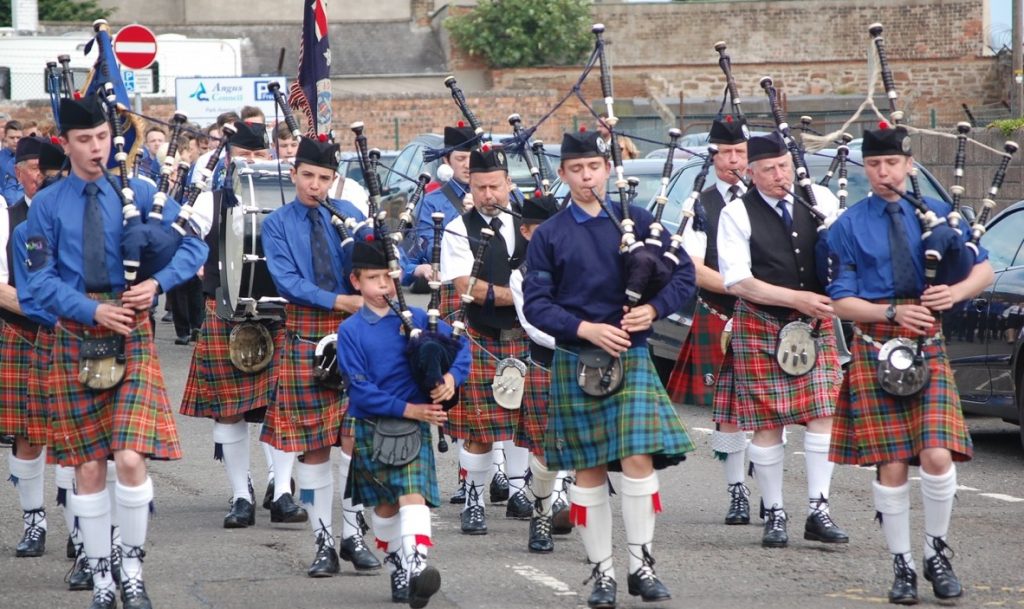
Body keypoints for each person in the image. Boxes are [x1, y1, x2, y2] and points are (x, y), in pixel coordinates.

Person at [24, 95, 207, 609]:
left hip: (132, 328)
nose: (95, 148)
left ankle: (132, 568)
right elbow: (36, 280)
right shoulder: (45, 206)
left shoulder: (141, 190)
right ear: (66, 144)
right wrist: (89, 309)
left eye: (102, 137)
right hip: (78, 329)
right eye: (84, 140)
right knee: (86, 468)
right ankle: (101, 577)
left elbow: (194, 244)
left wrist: (159, 284)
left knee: (129, 458)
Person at [523, 129, 696, 607]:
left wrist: (653, 311)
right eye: (576, 170)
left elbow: (683, 273)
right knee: (588, 468)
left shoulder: (636, 221)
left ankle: (641, 565)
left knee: (638, 459)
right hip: (580, 357)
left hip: (632, 354)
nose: (586, 178)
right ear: (563, 175)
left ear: (607, 169)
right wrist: (585, 329)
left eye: (594, 168)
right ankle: (602, 573)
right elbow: (536, 306)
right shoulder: (551, 236)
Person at [827, 125, 993, 605]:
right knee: (894, 462)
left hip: (927, 343)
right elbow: (840, 301)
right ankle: (901, 564)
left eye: (892, 164)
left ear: (909, 165)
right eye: (875, 165)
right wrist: (891, 312)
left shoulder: (940, 214)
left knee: (938, 455)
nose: (884, 173)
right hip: (877, 343)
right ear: (865, 168)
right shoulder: (849, 225)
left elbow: (982, 268)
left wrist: (954, 292)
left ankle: (936, 552)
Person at [715, 132, 849, 550]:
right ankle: (774, 511)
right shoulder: (736, 214)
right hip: (762, 322)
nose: (780, 175)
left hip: (816, 326)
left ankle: (819, 509)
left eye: (785, 166)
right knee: (767, 424)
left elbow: (845, 253)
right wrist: (798, 299)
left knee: (824, 414)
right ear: (750, 172)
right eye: (769, 169)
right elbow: (737, 280)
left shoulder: (821, 199)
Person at [261, 136, 381, 577]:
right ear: (293, 174)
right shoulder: (276, 224)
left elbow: (380, 268)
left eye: (324, 178)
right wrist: (338, 301)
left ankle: (352, 534)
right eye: (308, 176)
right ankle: (323, 542)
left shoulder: (349, 217)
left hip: (356, 337)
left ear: (335, 180)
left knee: (354, 440)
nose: (315, 185)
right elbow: (288, 280)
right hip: (306, 336)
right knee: (313, 449)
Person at [179, 120, 305, 529]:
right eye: (242, 157)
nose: (250, 164)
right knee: (229, 412)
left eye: (257, 156)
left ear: (269, 157)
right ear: (230, 158)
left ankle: (282, 490)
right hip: (226, 309)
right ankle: (239, 495)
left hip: (278, 311)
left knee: (282, 405)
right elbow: (182, 240)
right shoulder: (209, 200)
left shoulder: (288, 201)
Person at [337, 238, 470, 607]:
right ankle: (398, 562)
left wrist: (450, 380)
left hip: (413, 428)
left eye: (388, 278)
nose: (383, 286)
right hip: (372, 425)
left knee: (414, 498)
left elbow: (463, 348)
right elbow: (359, 391)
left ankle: (415, 570)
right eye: (374, 278)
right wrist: (410, 409)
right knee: (384, 510)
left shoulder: (415, 321)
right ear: (356, 281)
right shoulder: (351, 331)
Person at [440, 144, 536, 534]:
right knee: (480, 429)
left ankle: (518, 492)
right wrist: (526, 295)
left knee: (522, 421)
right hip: (481, 335)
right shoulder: (457, 228)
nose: (488, 195)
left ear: (509, 184)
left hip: (527, 337)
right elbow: (468, 288)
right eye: (480, 187)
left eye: (495, 186)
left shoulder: (529, 222)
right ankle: (475, 501)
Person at [667, 116, 752, 524]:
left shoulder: (767, 196)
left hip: (776, 316)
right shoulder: (700, 203)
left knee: (776, 407)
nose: (733, 160)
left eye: (740, 152)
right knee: (730, 410)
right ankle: (737, 489)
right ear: (713, 155)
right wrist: (748, 289)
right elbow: (695, 269)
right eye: (726, 153)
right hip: (723, 314)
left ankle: (769, 488)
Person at [508, 193, 573, 553]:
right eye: (543, 229)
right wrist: (581, 334)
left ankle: (586, 517)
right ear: (528, 232)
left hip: (588, 364)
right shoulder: (521, 274)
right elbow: (534, 327)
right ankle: (542, 513)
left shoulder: (580, 262)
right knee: (546, 449)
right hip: (549, 363)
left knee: (589, 447)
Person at [1, 136, 50, 560]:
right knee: (27, 434)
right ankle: (34, 519)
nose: (41, 175)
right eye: (33, 167)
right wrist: (45, 312)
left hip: (70, 335)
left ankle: (78, 524)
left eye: (47, 167)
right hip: (23, 333)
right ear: (19, 172)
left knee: (76, 434)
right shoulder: (6, 215)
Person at [1, 119, 23, 204]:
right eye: (12, 137)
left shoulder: (28, 159)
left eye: (18, 137)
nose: (15, 141)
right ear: (5, 137)